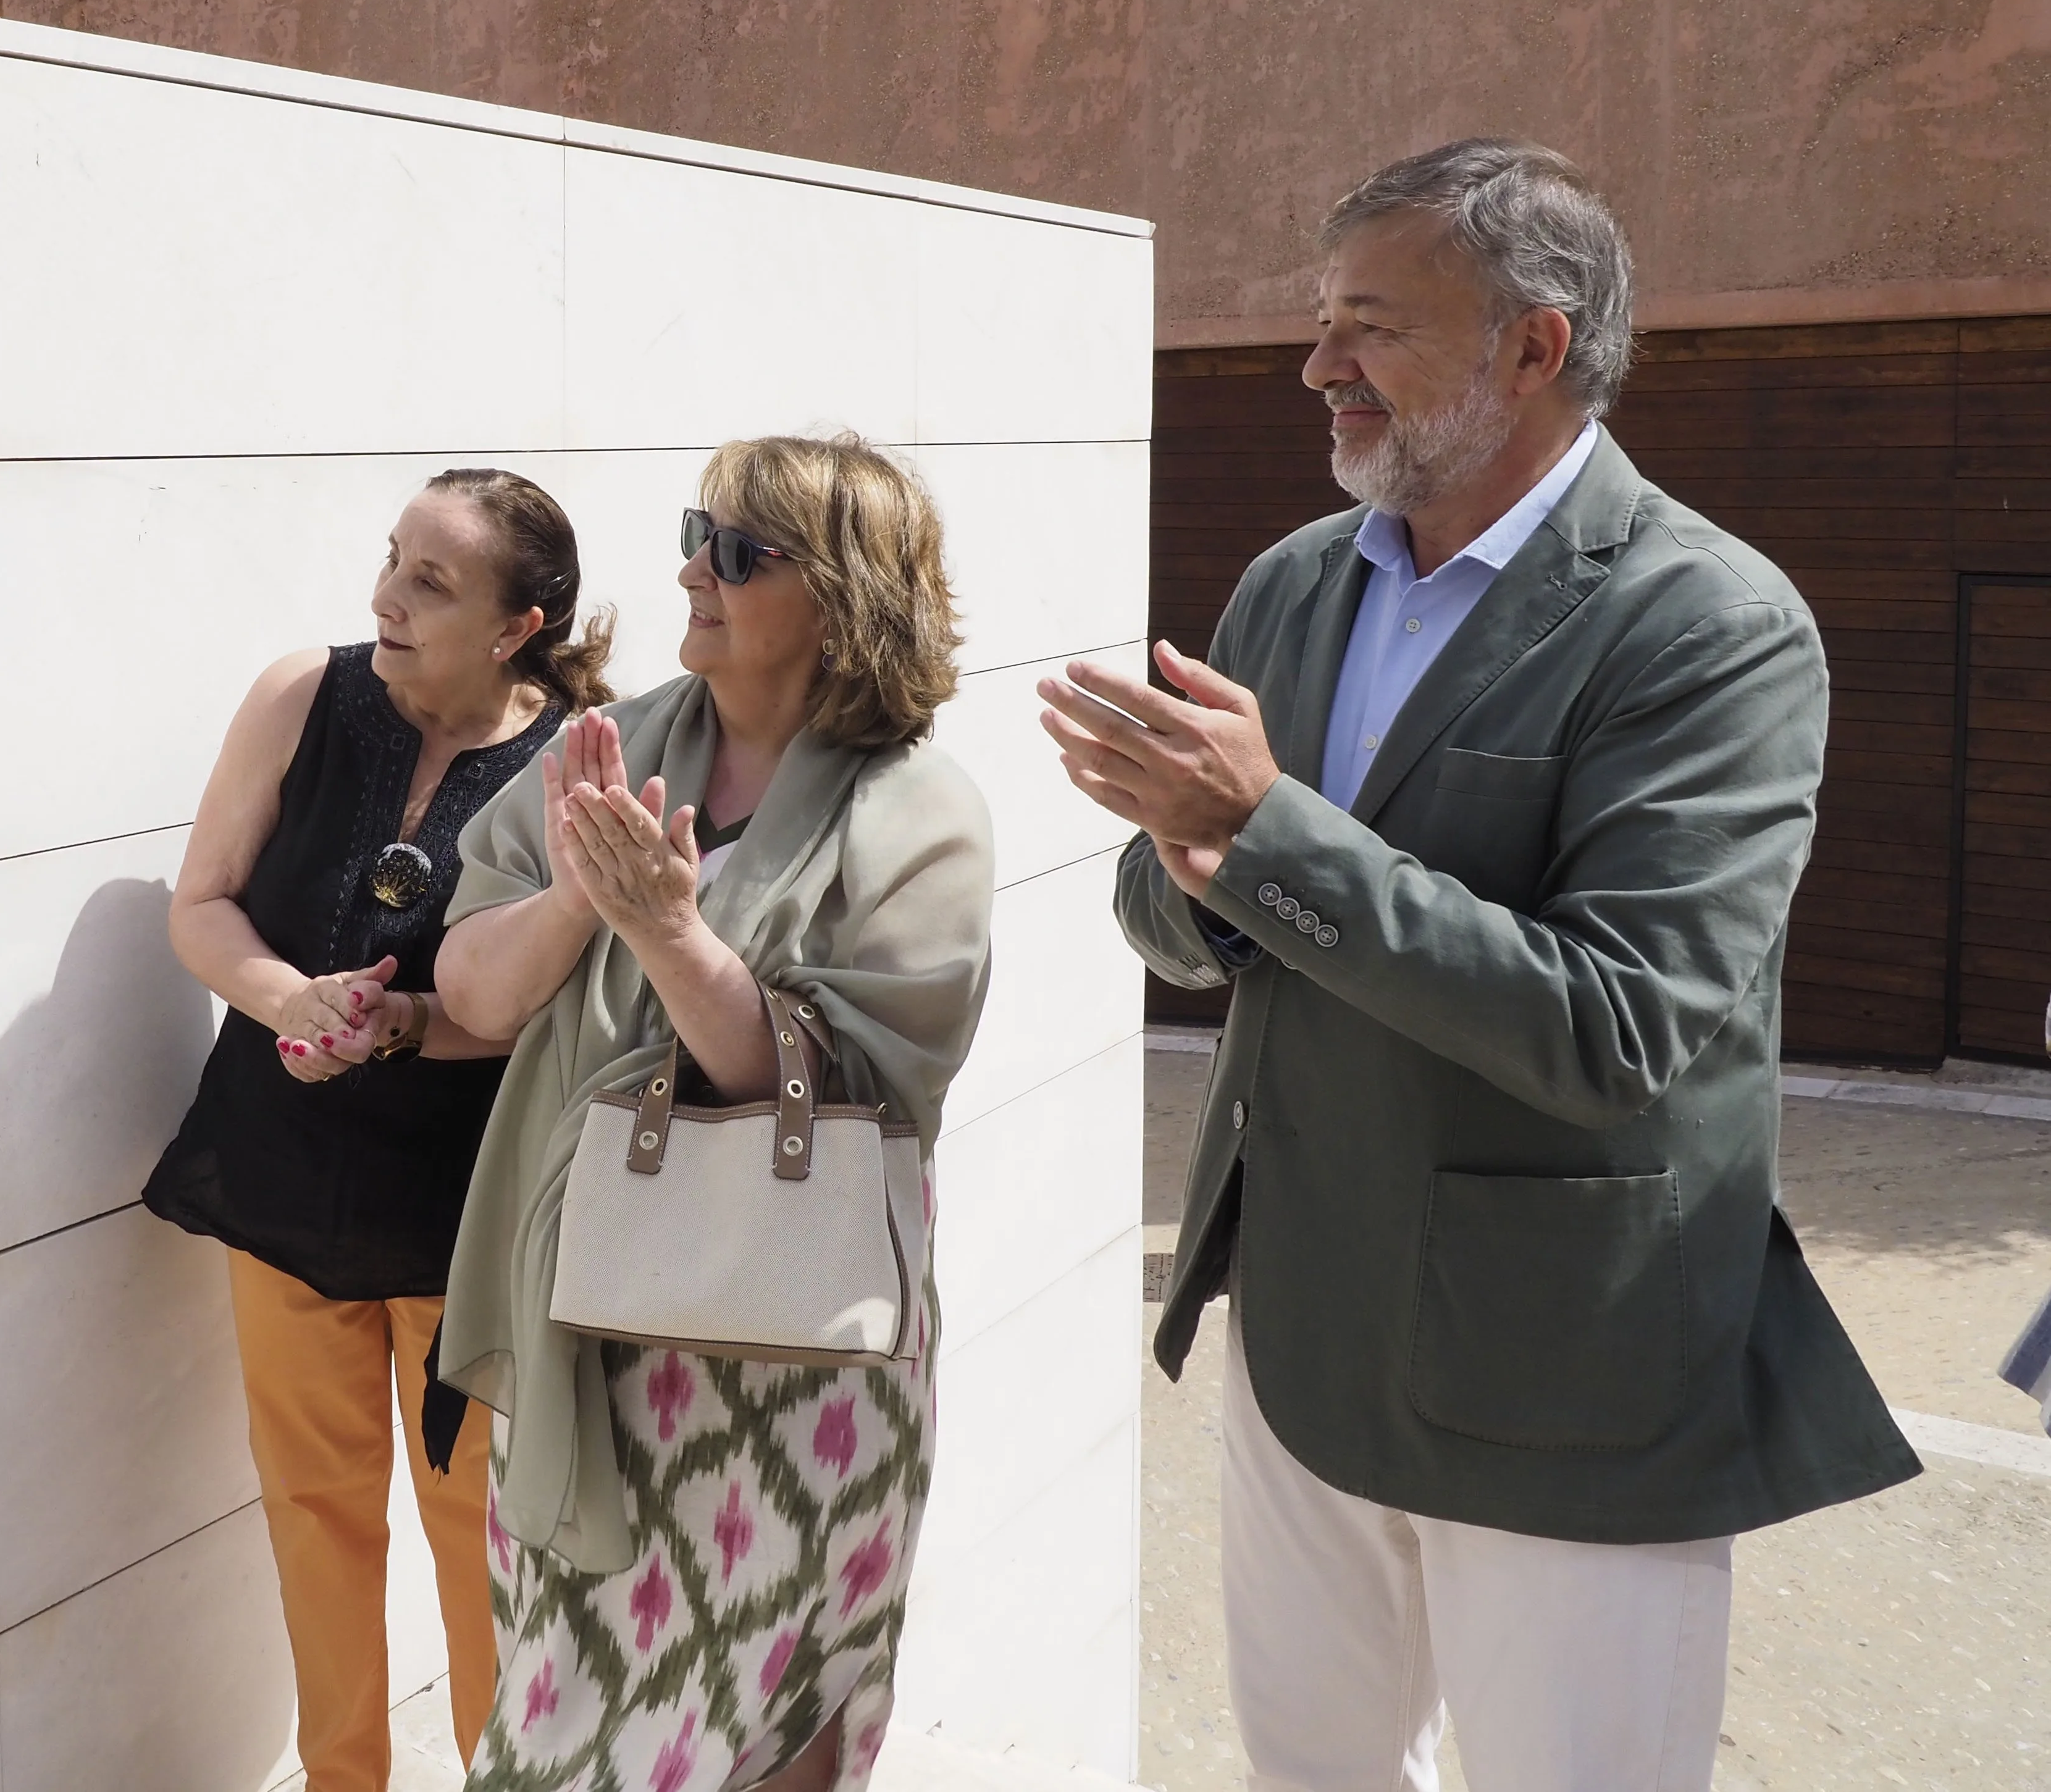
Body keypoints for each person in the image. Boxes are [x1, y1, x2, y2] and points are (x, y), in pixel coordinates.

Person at [1043, 139, 1920, 1791]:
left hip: (1562, 1371)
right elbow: (1180, 919)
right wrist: (1195, 859)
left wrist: (1264, 834)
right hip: (1301, 1332)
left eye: (1367, 324)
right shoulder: (1293, 584)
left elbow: (1619, 1021)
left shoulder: (1703, 621)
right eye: (1319, 320)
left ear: (1532, 343)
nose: (1314, 365)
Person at [432, 432, 994, 1792]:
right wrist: (580, 894)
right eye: (700, 531)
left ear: (848, 598)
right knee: (564, 1737)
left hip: (789, 1377)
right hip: (591, 1345)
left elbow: (850, 1095)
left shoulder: (918, 811)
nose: (693, 568)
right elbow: (471, 985)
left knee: (769, 1734)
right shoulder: (604, 752)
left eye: (740, 553)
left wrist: (671, 935)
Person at [149, 469, 614, 1792]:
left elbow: (576, 998)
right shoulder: (302, 693)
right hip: (277, 1180)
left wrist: (406, 1021)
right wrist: (286, 996)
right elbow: (201, 904)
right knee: (313, 1513)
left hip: (464, 1208)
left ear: (519, 625)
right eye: (389, 561)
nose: (384, 598)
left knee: (479, 1532)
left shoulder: (583, 752)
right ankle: (340, 1775)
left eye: (431, 580)